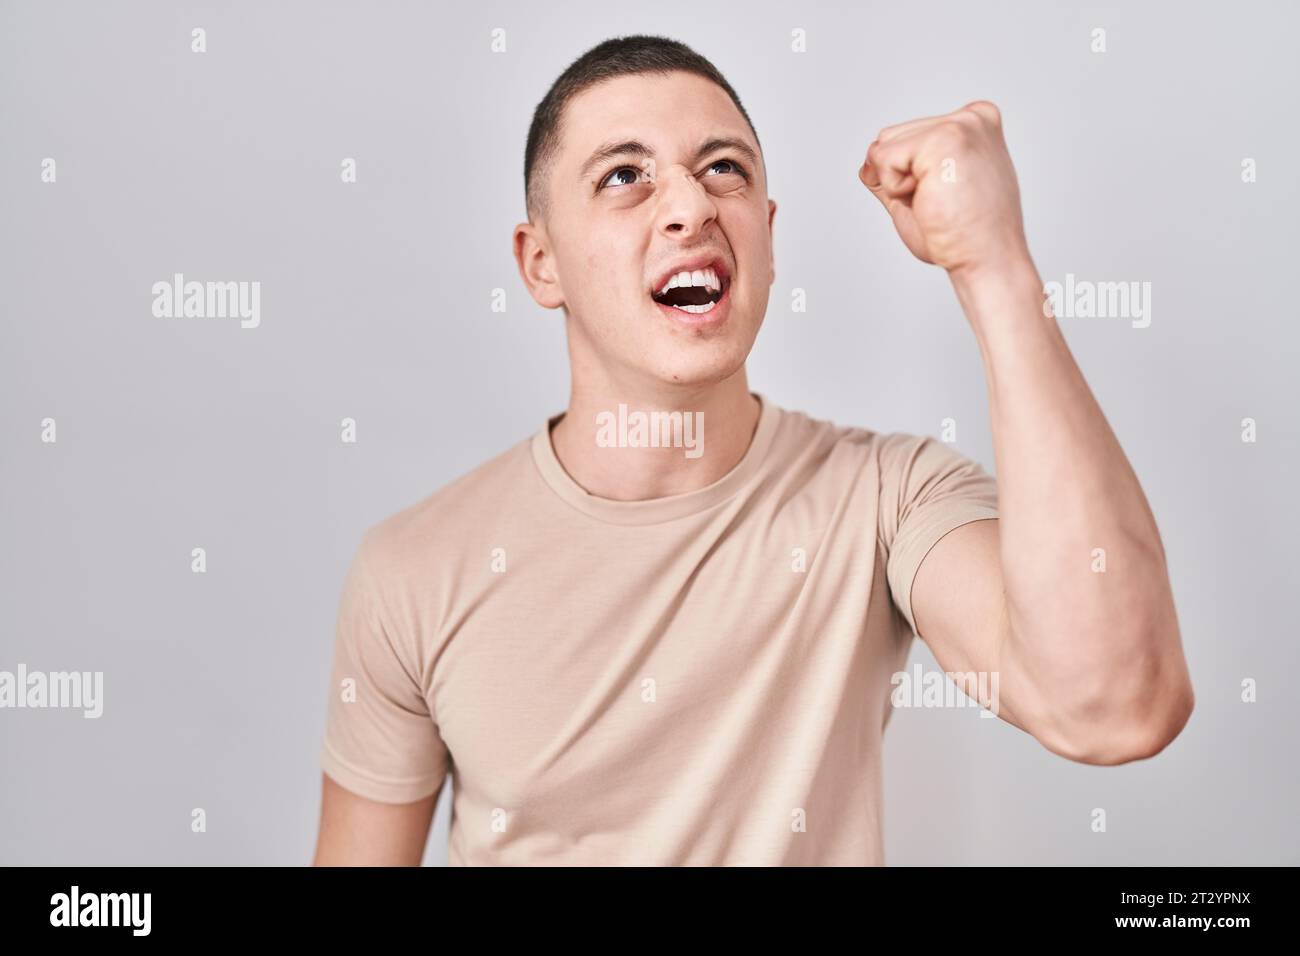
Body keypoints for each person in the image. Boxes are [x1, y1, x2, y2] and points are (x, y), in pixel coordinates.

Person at [312, 35, 1193, 866]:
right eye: (625, 176)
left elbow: (1115, 709)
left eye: (722, 171)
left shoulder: (888, 499)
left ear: (767, 234)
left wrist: (993, 264)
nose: (692, 207)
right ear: (540, 263)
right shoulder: (413, 569)